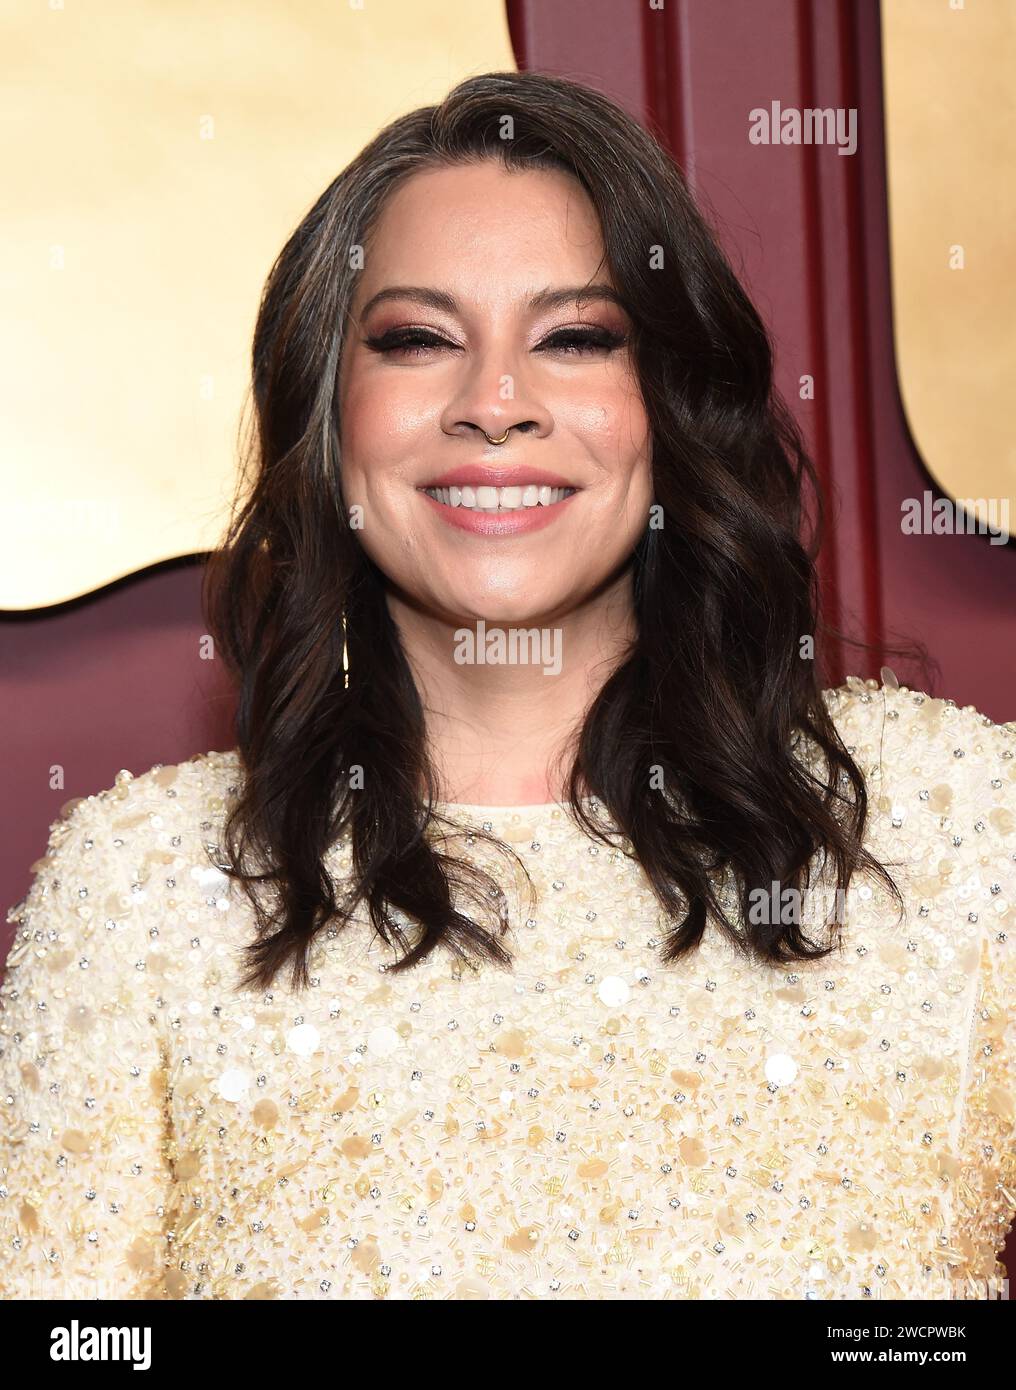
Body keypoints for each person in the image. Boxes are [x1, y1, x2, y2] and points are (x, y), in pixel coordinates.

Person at [2, 70, 1013, 1302]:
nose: (493, 404)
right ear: (329, 418)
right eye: (419, 339)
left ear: (671, 406)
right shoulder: (144, 889)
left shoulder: (960, 825)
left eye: (575, 338)